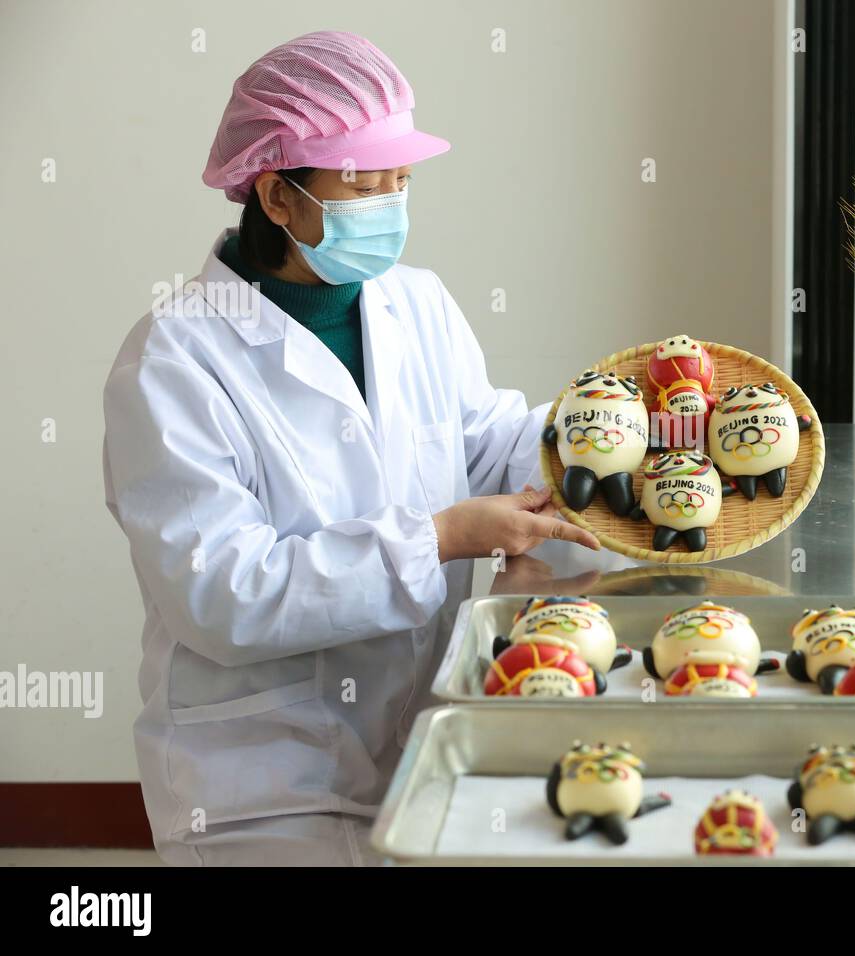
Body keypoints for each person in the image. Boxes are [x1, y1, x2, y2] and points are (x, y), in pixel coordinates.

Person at [101, 31, 598, 865]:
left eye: (401, 179)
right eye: (362, 183)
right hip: (259, 785)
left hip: (425, 740)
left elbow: (487, 444)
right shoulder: (172, 359)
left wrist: (602, 428)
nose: (391, 202)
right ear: (276, 195)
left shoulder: (418, 304)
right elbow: (222, 594)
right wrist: (440, 540)